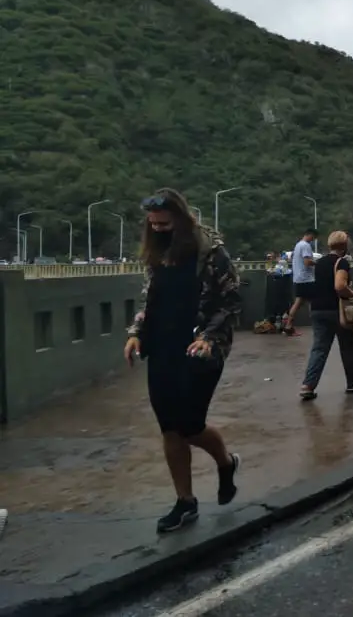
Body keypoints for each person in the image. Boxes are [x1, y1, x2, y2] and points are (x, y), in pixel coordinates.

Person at [123, 188, 241, 534]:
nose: (158, 229)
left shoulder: (211, 252)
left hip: (200, 349)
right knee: (169, 428)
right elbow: (150, 299)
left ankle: (226, 462)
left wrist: (208, 337)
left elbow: (231, 301)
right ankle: (185, 501)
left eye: (164, 224)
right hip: (162, 348)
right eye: (153, 224)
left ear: (181, 218)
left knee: (190, 425)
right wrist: (136, 333)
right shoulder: (157, 253)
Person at [299, 231, 353, 399]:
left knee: (319, 349)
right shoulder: (341, 262)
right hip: (337, 311)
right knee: (347, 347)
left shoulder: (320, 262)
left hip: (317, 309)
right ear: (344, 245)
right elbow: (339, 286)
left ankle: (308, 386)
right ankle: (352, 384)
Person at [285, 227, 317, 333]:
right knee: (314, 301)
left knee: (299, 302)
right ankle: (316, 323)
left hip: (299, 278)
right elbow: (307, 262)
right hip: (306, 279)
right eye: (314, 237)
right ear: (310, 234)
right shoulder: (305, 245)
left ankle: (288, 324)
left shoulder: (298, 245)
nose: (313, 240)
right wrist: (318, 263)